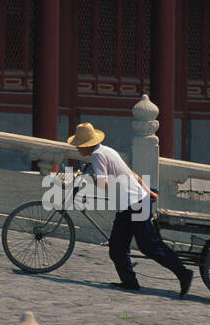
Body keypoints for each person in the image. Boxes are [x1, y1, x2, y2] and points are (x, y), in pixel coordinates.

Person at [66, 122, 193, 298]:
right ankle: (129, 282)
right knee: (117, 247)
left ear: (85, 145)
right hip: (130, 203)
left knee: (149, 245)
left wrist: (88, 179)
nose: (77, 148)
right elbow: (132, 174)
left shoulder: (97, 156)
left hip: (136, 203)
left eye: (78, 145)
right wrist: (149, 192)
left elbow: (104, 183)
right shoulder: (108, 151)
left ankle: (183, 273)